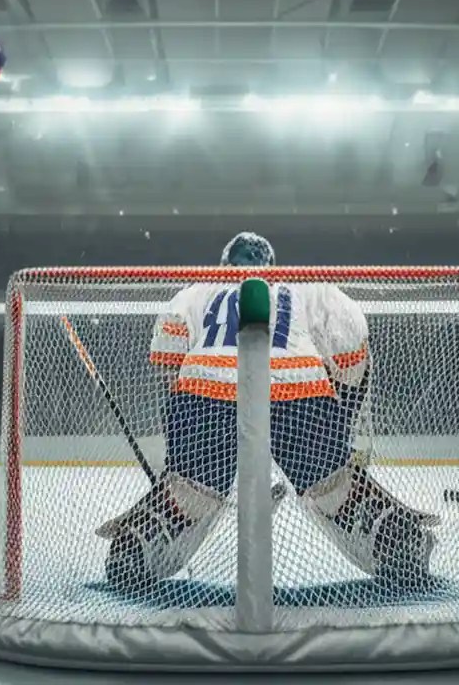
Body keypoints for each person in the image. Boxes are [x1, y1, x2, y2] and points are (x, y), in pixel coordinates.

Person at [96, 232, 437, 592]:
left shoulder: (197, 290)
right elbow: (351, 348)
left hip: (206, 388)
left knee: (190, 494)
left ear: (223, 267)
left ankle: (135, 548)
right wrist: (344, 416)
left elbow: (167, 359)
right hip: (299, 388)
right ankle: (401, 542)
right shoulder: (307, 286)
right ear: (274, 267)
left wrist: (182, 451)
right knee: (332, 487)